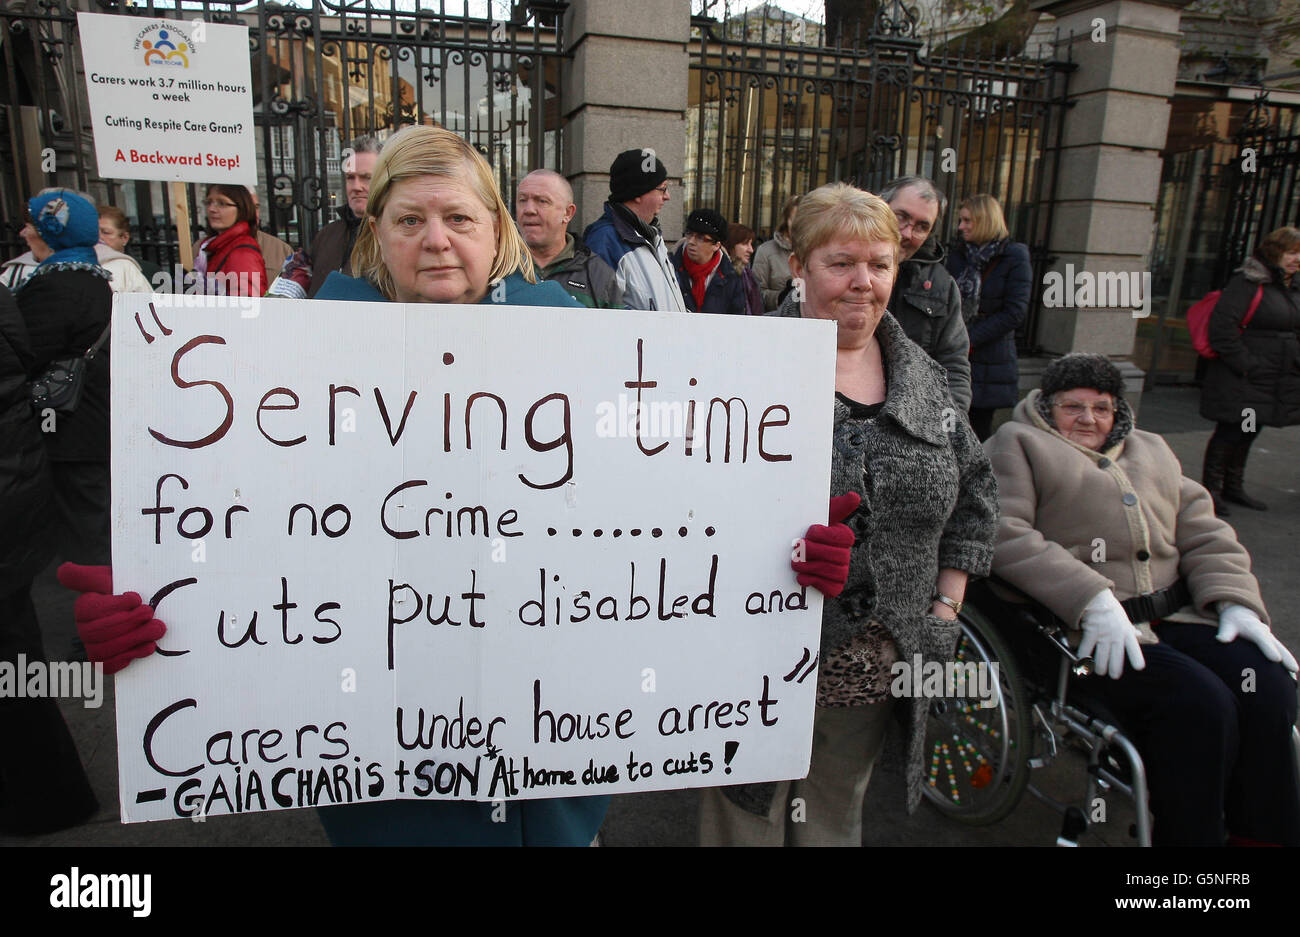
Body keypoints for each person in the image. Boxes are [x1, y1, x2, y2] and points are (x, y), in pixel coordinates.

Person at [58, 125, 610, 848]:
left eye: (459, 218)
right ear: (376, 232)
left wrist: (781, 552)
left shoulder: (584, 348)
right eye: (410, 219)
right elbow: (247, 525)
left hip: (550, 777)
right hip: (380, 783)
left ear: (496, 228)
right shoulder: (287, 372)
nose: (437, 240)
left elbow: (656, 520)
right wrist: (153, 595)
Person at [698, 182, 998, 846]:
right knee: (744, 823)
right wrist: (769, 549)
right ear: (798, 265)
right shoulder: (736, 369)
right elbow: (684, 509)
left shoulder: (920, 377)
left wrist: (944, 609)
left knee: (834, 821)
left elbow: (976, 498)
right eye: (840, 262)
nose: (862, 282)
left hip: (870, 668)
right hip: (755, 660)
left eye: (880, 264)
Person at [985, 352, 1299, 846]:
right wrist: (1089, 597)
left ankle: (1261, 836)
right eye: (1074, 407)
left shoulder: (1152, 449)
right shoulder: (1016, 443)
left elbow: (1206, 532)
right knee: (1200, 704)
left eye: (1103, 408)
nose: (1089, 419)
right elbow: (1003, 533)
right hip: (1085, 631)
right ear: (1048, 407)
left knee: (1269, 685)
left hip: (1180, 614)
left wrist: (1235, 600)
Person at [0, 283, 100, 835]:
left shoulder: (59, 290)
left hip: (30, 473)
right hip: (22, 482)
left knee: (12, 664)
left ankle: (48, 795)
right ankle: (49, 792)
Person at [14, 190, 114, 569]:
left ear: (54, 232)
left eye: (34, 225)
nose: (25, 232)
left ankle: (97, 612)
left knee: (86, 532)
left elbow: (25, 354)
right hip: (88, 422)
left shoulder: (57, 286)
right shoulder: (90, 279)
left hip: (71, 427)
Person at [1199, 225, 1300, 515]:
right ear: (1275, 251)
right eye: (1291, 253)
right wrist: (1248, 365)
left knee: (1249, 430)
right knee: (1231, 430)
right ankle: (1210, 491)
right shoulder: (1248, 283)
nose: (1296, 259)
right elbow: (1222, 329)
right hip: (1245, 376)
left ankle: (1233, 486)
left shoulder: (1291, 286)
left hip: (1273, 376)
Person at [878, 175, 971, 410]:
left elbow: (953, 365)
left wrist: (951, 431)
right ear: (880, 206)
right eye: (902, 217)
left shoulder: (942, 286)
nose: (907, 233)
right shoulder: (836, 268)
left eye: (922, 226)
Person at [945, 193, 1031, 440]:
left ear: (985, 220)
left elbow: (1014, 312)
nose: (961, 227)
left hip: (989, 358)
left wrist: (968, 340)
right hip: (955, 351)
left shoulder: (1014, 255)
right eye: (961, 220)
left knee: (977, 431)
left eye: (968, 220)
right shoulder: (958, 255)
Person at [582, 148, 687, 312]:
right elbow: (600, 312)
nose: (668, 196)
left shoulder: (652, 236)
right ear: (639, 192)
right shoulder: (604, 240)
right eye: (663, 188)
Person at [515, 168, 622, 308]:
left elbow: (614, 328)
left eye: (542, 201)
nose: (528, 210)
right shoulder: (496, 267)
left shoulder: (598, 275)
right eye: (522, 200)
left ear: (568, 213)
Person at [670, 208, 746, 316]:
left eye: (700, 238)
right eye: (689, 234)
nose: (691, 241)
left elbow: (736, 319)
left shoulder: (731, 277)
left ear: (716, 245)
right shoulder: (669, 268)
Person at [193, 183, 265, 297]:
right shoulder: (216, 246)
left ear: (241, 208)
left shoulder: (242, 253)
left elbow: (248, 306)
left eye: (222, 203)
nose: (212, 209)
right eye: (208, 202)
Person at [751, 195, 799, 311]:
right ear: (787, 220)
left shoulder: (816, 251)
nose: (799, 225)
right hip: (778, 321)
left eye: (804, 220)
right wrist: (780, 297)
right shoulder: (766, 251)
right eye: (795, 219)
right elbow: (755, 293)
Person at [93, 205, 153, 294]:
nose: (99, 238)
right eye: (94, 232)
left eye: (106, 232)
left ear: (125, 238)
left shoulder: (131, 267)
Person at [724, 223, 763, 316]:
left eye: (751, 244)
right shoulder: (722, 274)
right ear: (731, 245)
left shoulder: (747, 273)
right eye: (745, 244)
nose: (751, 250)